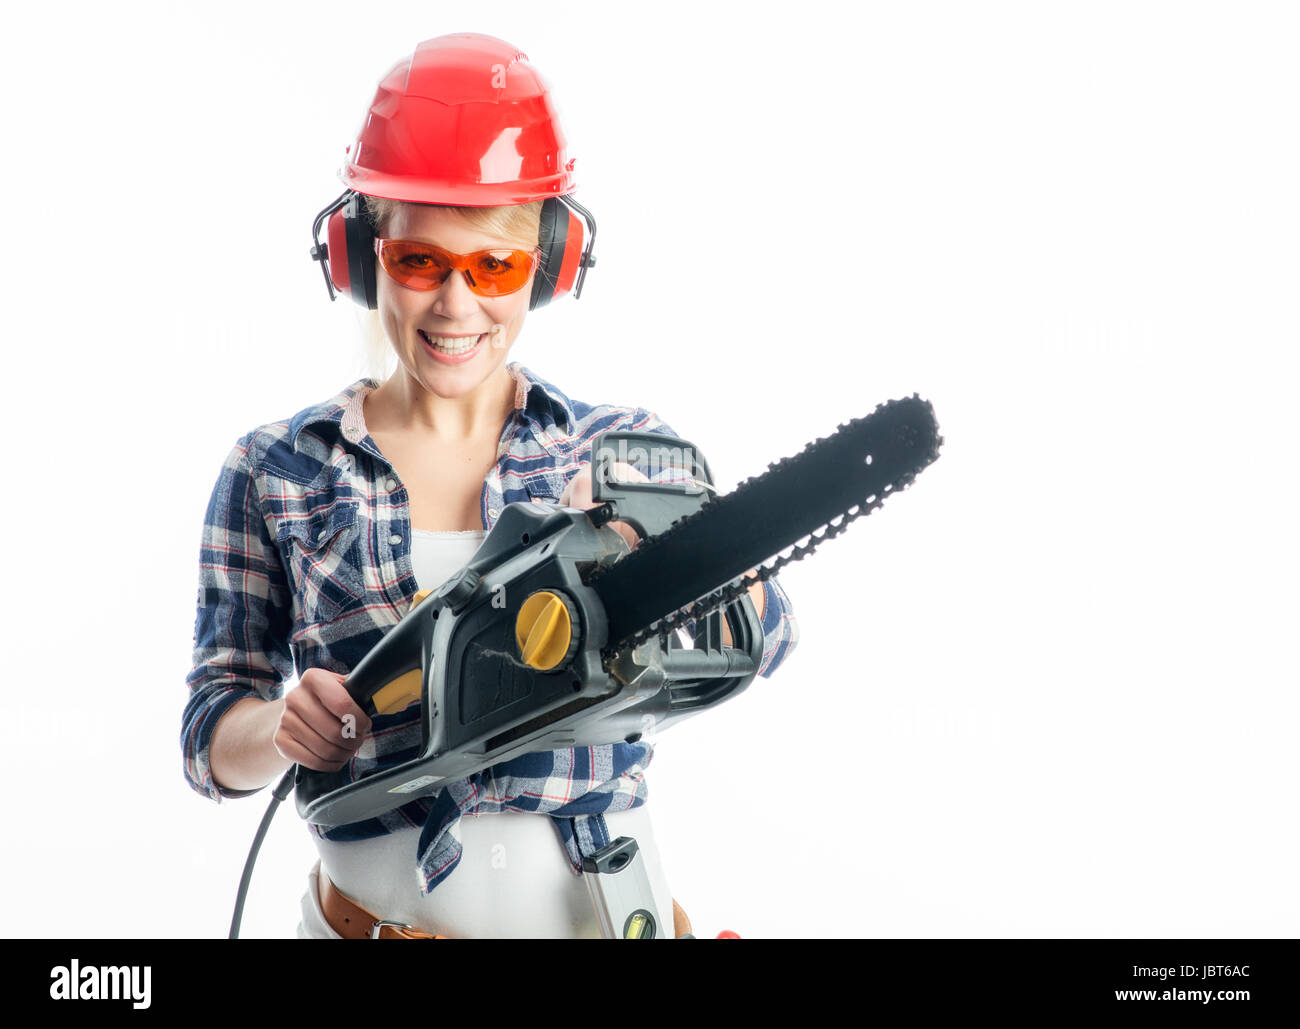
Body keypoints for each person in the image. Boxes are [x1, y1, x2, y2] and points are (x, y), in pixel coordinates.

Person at [182, 33, 799, 939]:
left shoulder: (618, 452)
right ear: (361, 254)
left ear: (548, 266)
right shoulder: (279, 467)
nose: (455, 306)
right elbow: (209, 738)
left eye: (495, 266)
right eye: (420, 261)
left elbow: (770, 635)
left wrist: (669, 555)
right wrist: (281, 724)